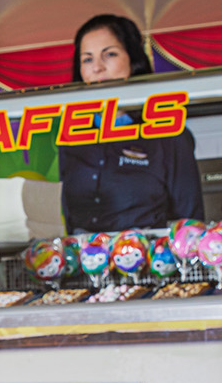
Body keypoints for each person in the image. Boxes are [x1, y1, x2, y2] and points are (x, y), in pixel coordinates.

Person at [61, 12, 203, 231]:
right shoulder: (72, 136)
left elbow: (191, 224)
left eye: (109, 55)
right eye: (87, 59)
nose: (97, 67)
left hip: (151, 262)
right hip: (83, 263)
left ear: (133, 61)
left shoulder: (167, 133)